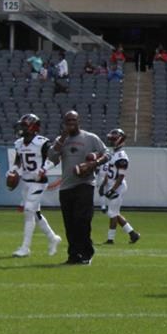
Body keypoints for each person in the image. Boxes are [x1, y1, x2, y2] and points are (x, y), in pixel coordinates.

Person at [47, 110, 110, 265]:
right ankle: (73, 255)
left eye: (73, 120)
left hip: (85, 183)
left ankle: (87, 253)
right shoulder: (60, 140)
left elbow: (107, 154)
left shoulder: (90, 138)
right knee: (69, 223)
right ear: (64, 123)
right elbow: (52, 157)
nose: (71, 123)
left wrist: (93, 164)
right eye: (68, 121)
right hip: (66, 186)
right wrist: (62, 137)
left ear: (78, 121)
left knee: (82, 220)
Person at [10, 114, 62, 258]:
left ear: (33, 127)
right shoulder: (19, 143)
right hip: (26, 182)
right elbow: (18, 161)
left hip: (38, 182)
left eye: (24, 126)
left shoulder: (42, 143)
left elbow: (55, 158)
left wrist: (44, 168)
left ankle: (25, 248)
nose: (21, 128)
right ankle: (53, 238)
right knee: (35, 214)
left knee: (28, 211)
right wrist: (14, 170)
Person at [97, 129, 140, 245]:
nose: (111, 141)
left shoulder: (121, 156)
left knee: (112, 213)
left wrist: (113, 189)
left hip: (118, 186)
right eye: (110, 139)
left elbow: (120, 177)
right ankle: (133, 234)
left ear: (120, 139)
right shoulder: (113, 154)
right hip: (112, 185)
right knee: (114, 212)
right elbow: (109, 172)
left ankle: (110, 239)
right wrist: (104, 184)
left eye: (113, 139)